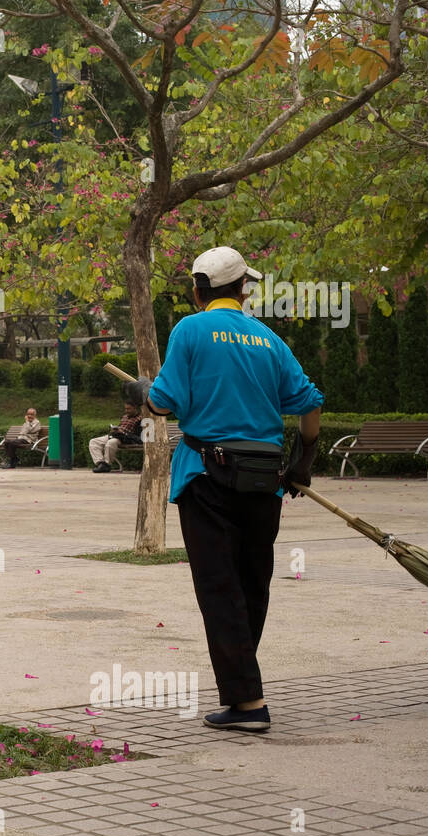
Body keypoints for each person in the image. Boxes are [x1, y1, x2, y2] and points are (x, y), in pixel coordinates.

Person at [146, 246, 322, 733]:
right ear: (244, 289)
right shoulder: (269, 339)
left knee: (220, 589)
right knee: (251, 586)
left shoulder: (189, 329)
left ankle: (249, 704)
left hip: (208, 477)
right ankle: (244, 693)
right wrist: (302, 463)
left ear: (198, 290)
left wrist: (141, 391)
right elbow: (310, 404)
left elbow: (163, 403)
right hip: (264, 482)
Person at [89, 401, 142, 472]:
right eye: (125, 409)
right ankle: (101, 464)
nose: (126, 411)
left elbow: (137, 436)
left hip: (124, 439)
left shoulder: (140, 419)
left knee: (110, 444)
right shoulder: (124, 417)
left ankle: (107, 464)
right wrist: (115, 429)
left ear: (135, 408)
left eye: (129, 409)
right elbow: (121, 427)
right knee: (93, 442)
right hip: (115, 435)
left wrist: (123, 432)